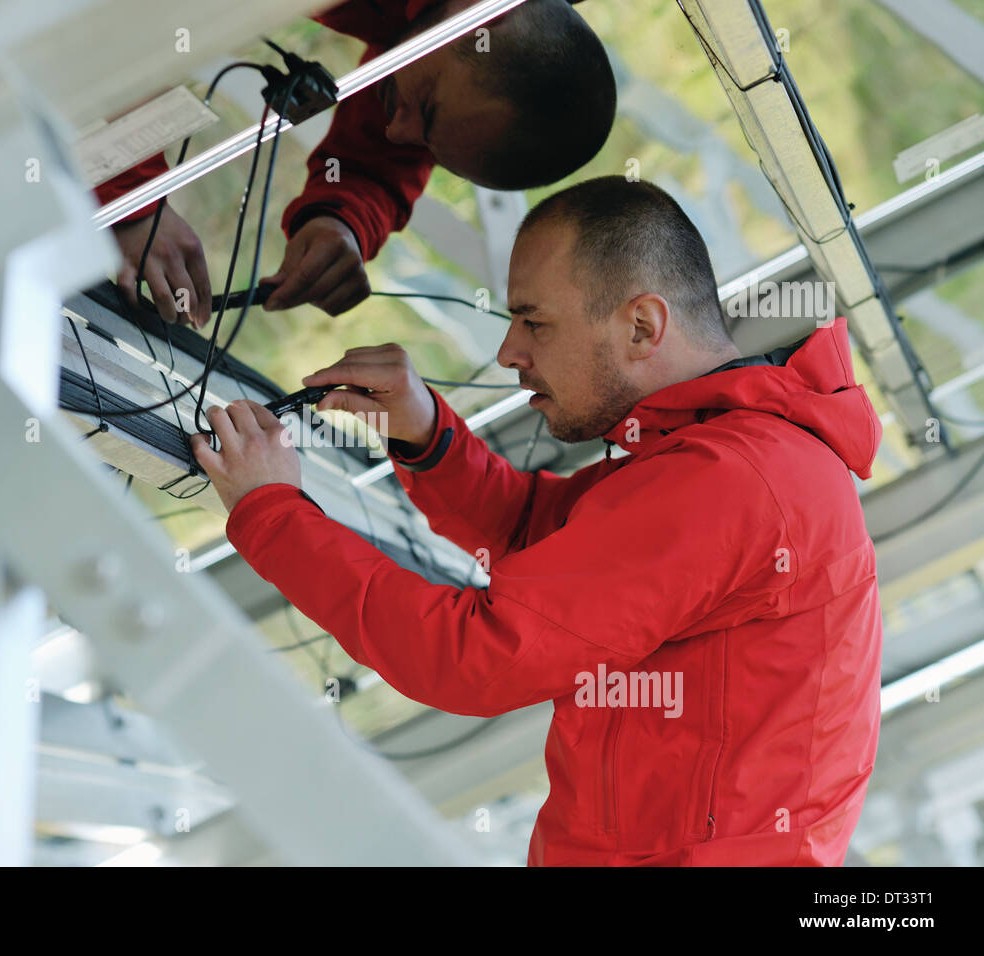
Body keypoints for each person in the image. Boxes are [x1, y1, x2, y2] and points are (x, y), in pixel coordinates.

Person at [189, 176, 883, 866]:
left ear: (643, 325)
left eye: (534, 322)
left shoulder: (734, 479)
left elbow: (469, 658)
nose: (508, 353)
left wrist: (272, 513)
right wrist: (425, 433)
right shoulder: (721, 450)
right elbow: (547, 531)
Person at [100, 0, 615, 326]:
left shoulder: (470, 34)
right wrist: (133, 194)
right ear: (479, 14)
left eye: (429, 144)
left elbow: (386, 155)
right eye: (428, 110)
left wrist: (340, 221)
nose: (397, 129)